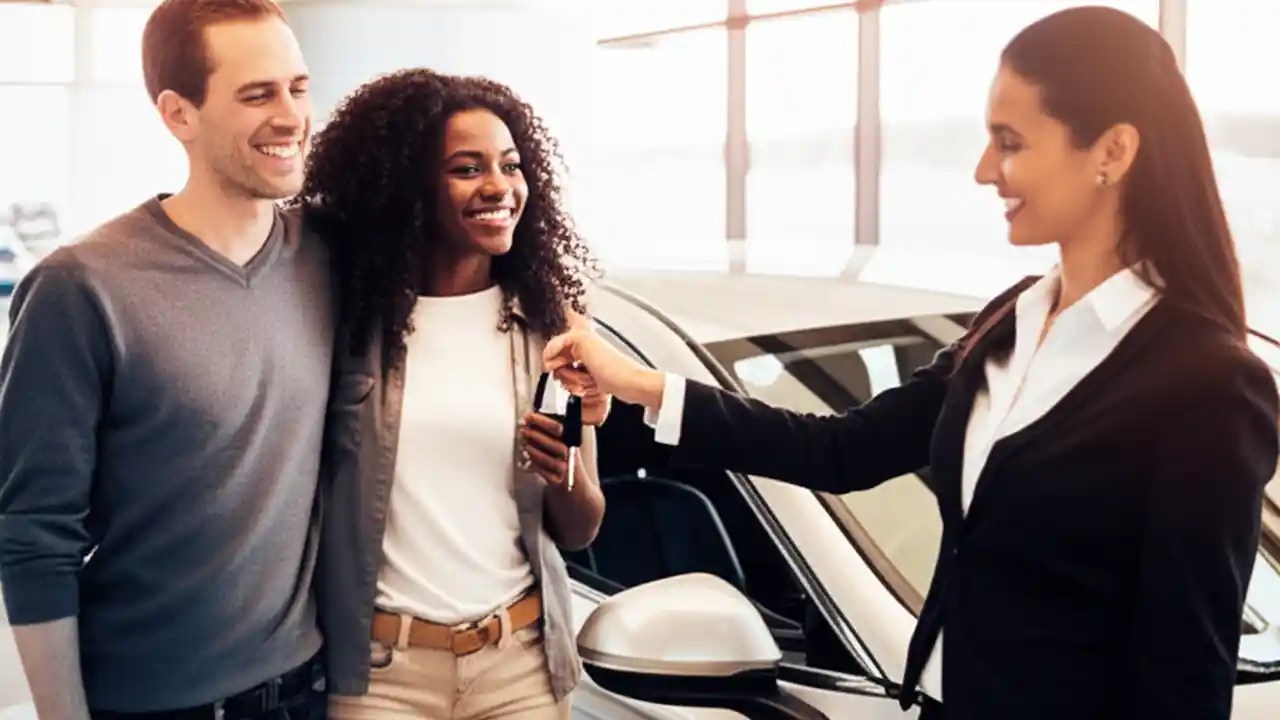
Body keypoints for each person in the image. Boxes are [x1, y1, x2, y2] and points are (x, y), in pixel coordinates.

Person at [544, 7, 1279, 720]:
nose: (984, 170)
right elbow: (840, 450)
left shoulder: (1208, 383)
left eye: (1010, 141)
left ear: (1113, 152)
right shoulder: (1014, 318)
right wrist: (636, 383)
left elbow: (1183, 674)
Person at [0, 1, 330, 718]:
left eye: (297, 88)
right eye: (256, 94)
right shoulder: (80, 287)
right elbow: (34, 537)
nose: (291, 116)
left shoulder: (330, 258)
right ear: (178, 114)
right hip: (149, 705)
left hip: (303, 691)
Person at [294, 69, 607, 720]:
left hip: (520, 669)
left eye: (511, 165)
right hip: (382, 675)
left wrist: (563, 474)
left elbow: (580, 530)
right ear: (409, 191)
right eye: (467, 169)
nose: (499, 187)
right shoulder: (349, 328)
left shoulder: (552, 330)